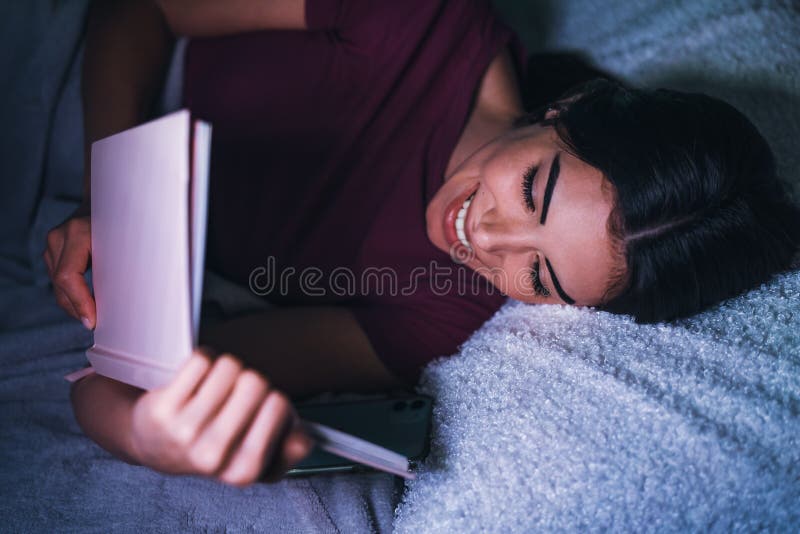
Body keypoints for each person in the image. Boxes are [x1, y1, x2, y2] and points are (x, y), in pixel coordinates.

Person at [43, 0, 800, 487]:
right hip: (107, 81)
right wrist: (114, 195)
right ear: (563, 110)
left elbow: (133, 376)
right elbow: (134, 13)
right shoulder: (423, 20)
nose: (488, 239)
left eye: (540, 275)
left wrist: (152, 437)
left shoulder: (451, 306)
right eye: (533, 189)